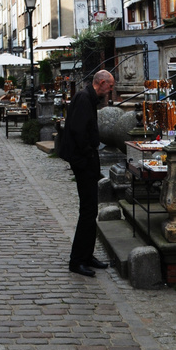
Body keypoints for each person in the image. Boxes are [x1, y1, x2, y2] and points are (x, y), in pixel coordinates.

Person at [59, 69, 115, 277]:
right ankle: (77, 260)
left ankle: (87, 255)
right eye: (109, 86)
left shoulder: (90, 98)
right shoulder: (84, 98)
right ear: (100, 82)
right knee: (88, 210)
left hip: (86, 160)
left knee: (91, 210)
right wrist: (88, 155)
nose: (110, 90)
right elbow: (79, 132)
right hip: (83, 161)